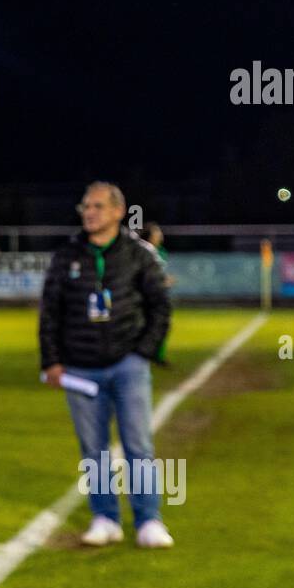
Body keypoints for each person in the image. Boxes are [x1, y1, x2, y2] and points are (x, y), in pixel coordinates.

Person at [38, 182, 174, 548]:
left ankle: (149, 520)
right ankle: (105, 518)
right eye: (85, 206)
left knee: (138, 445)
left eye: (97, 206)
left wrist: (144, 352)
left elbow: (160, 305)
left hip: (128, 365)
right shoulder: (67, 256)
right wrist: (51, 360)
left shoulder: (137, 255)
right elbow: (50, 311)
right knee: (93, 449)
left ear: (118, 211)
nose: (89, 212)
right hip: (80, 370)